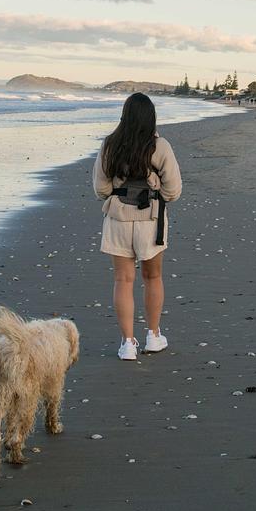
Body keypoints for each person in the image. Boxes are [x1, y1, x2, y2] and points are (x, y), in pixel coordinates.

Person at [92, 93, 183, 361]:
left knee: (123, 280)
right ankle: (153, 336)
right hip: (150, 221)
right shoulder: (160, 147)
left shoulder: (110, 145)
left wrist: (120, 189)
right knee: (152, 277)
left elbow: (101, 189)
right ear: (150, 118)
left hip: (118, 219)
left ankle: (128, 343)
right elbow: (173, 191)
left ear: (125, 116)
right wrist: (153, 184)